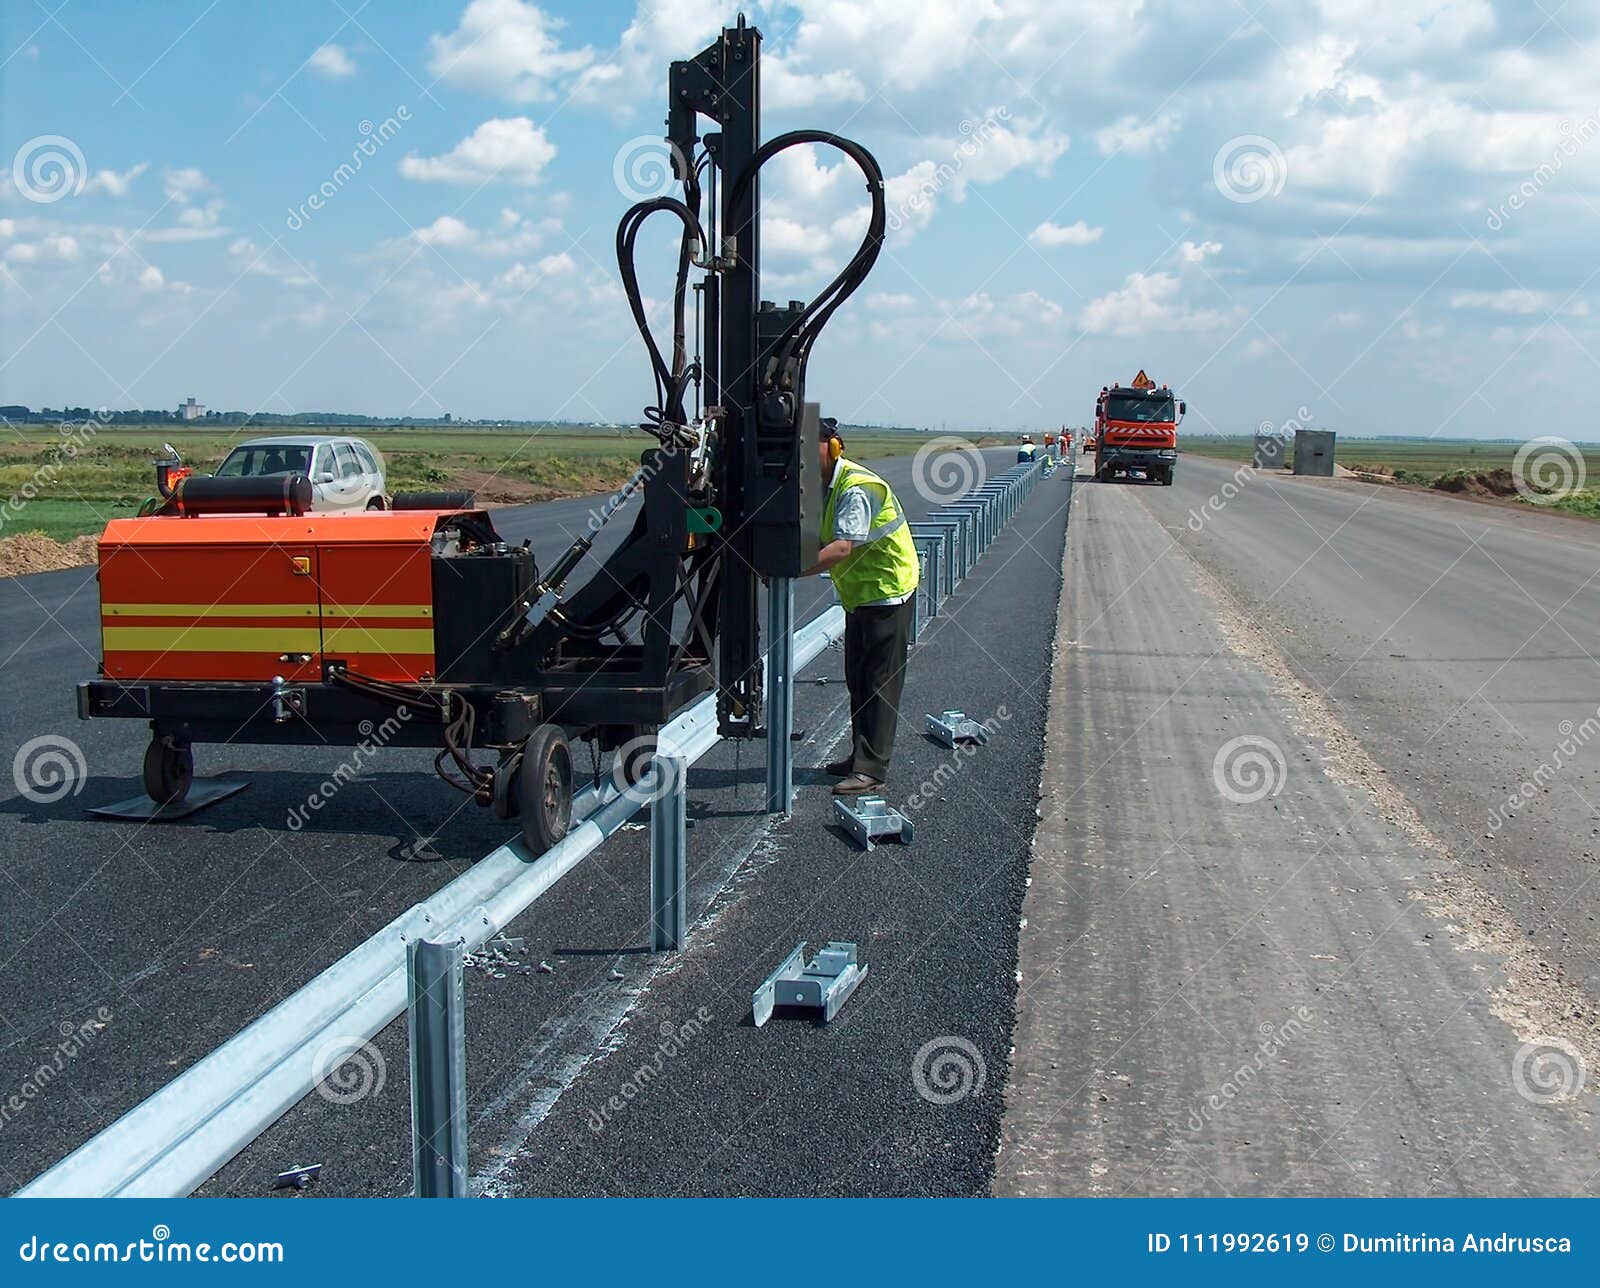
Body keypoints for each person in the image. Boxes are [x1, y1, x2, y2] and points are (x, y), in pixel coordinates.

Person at [805, 418, 921, 796]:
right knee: (858, 680)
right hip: (861, 596)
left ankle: (871, 768)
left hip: (886, 591)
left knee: (878, 683)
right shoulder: (825, 485)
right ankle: (860, 755)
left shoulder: (856, 488)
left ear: (832, 447)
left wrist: (790, 571)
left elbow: (841, 548)